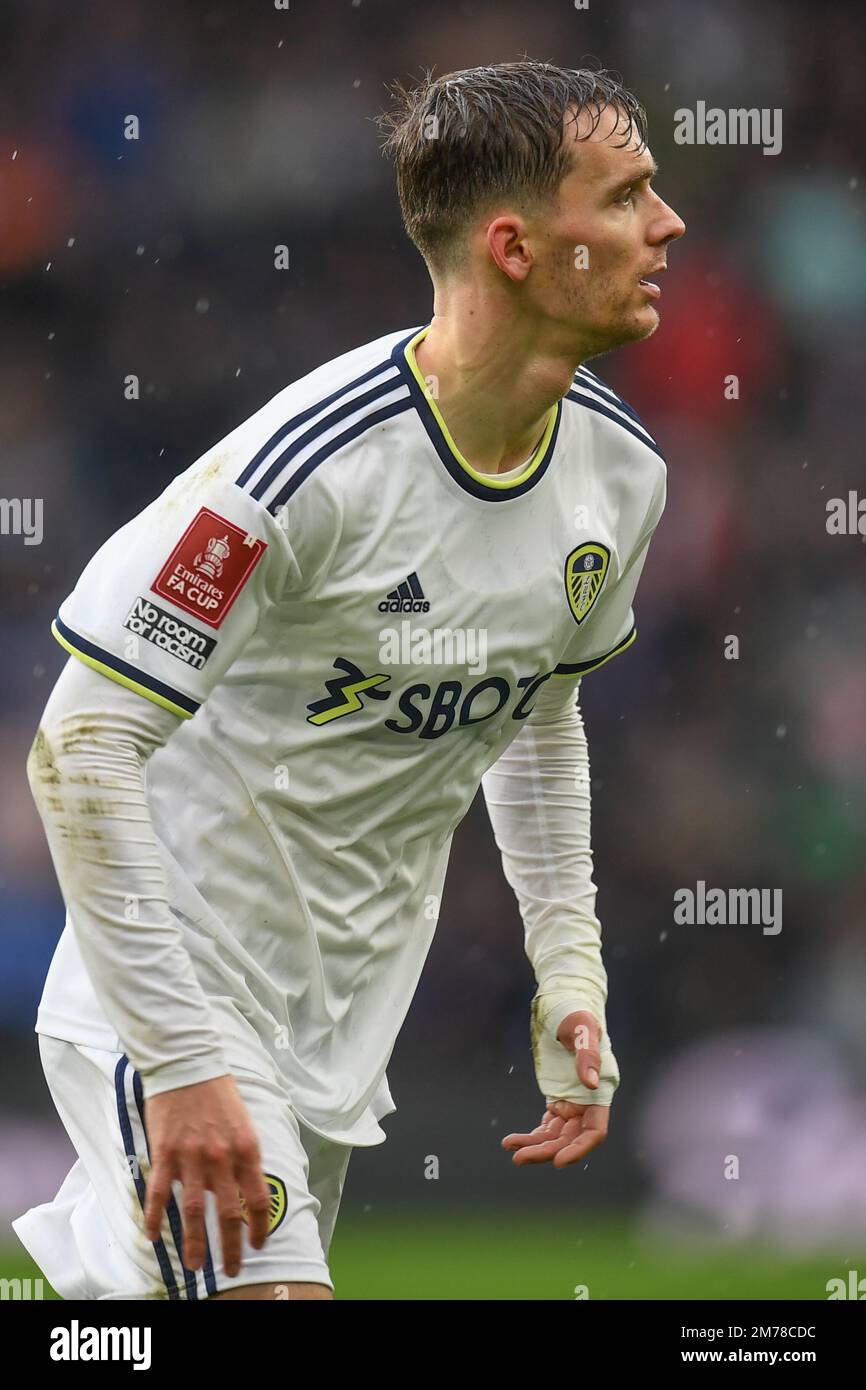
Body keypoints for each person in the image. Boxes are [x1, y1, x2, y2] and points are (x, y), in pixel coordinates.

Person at [13, 60, 685, 1300]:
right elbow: (80, 745)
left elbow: (539, 711)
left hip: (334, 1033)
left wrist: (568, 968)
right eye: (625, 194)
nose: (666, 223)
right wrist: (178, 1056)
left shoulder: (620, 473)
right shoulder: (300, 471)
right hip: (172, 998)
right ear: (514, 248)